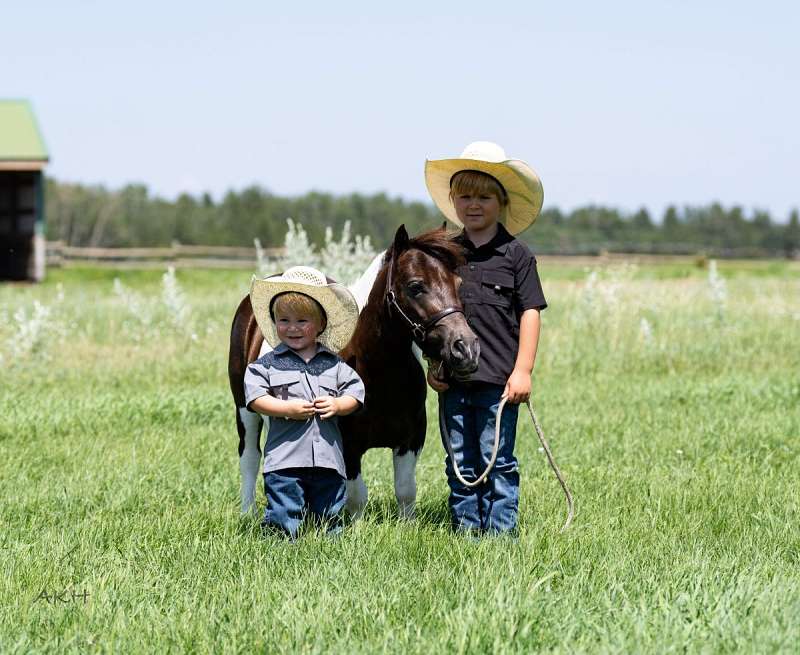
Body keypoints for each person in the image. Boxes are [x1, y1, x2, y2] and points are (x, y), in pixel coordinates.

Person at [424, 141, 547, 537]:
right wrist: (434, 366)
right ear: (453, 201)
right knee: (460, 459)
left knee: (498, 459)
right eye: (464, 196)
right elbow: (431, 318)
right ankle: (465, 531)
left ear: (502, 202)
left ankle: (500, 535)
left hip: (499, 380)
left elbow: (529, 313)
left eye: (483, 196)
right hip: (454, 381)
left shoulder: (516, 255)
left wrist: (523, 370)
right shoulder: (445, 254)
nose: (472, 205)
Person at [244, 266, 365, 539]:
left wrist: (338, 405)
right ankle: (281, 548)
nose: (292, 328)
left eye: (302, 321)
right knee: (284, 512)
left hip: (328, 461)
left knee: (330, 514)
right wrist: (286, 408)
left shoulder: (334, 365)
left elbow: (356, 393)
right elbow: (256, 397)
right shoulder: (266, 365)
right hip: (285, 461)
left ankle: (328, 548)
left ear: (320, 324)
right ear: (274, 322)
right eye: (283, 320)